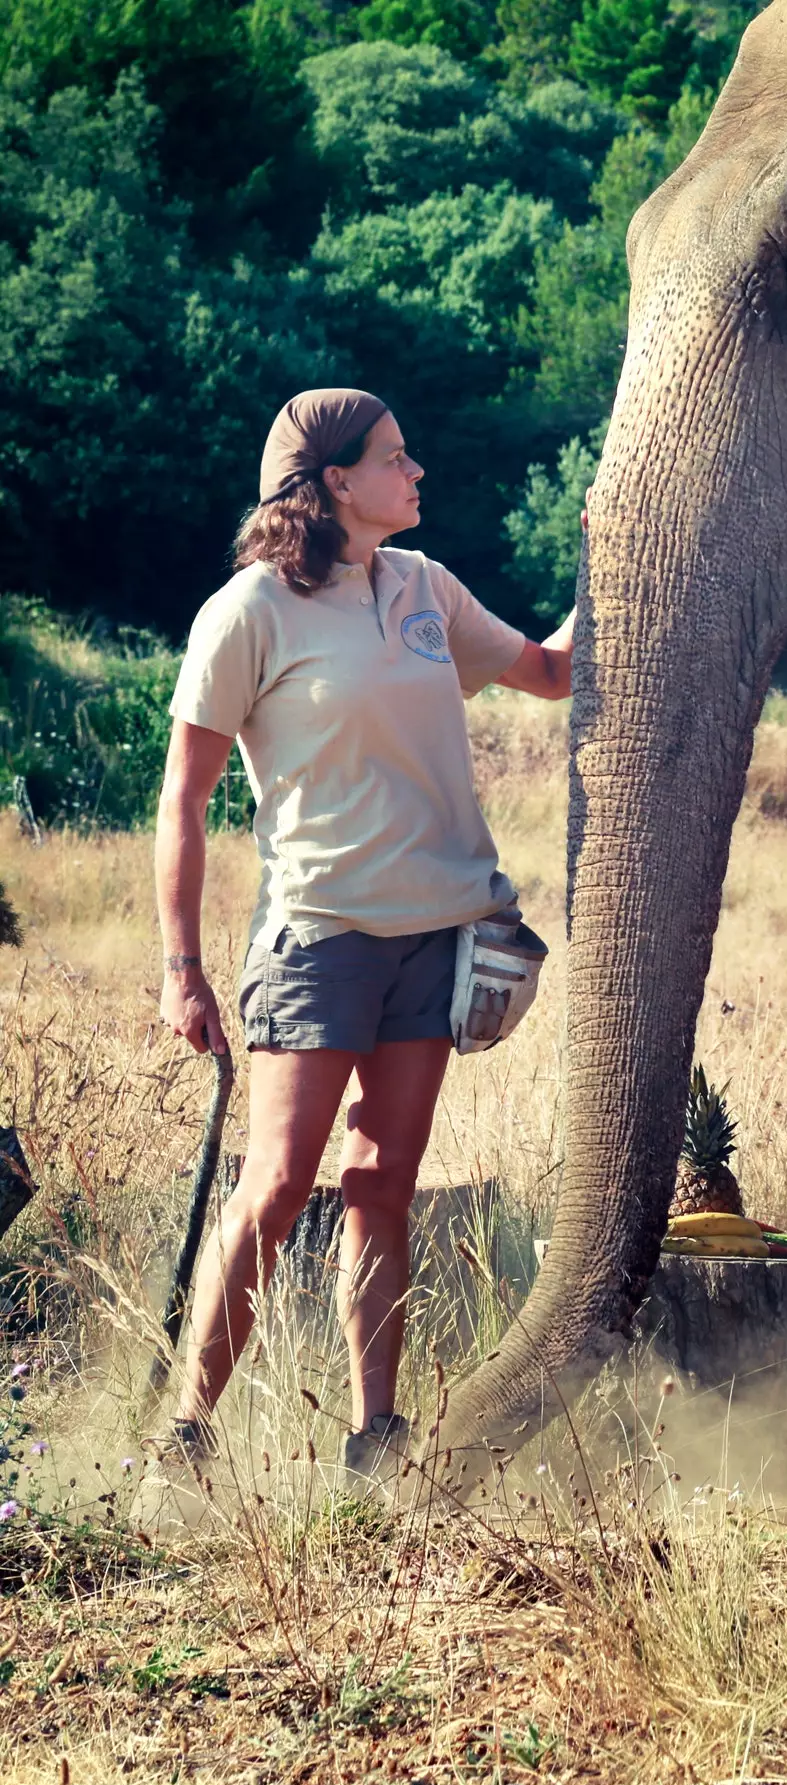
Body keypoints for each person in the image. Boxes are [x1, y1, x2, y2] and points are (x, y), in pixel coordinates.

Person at [154, 387, 575, 1479]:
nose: (417, 471)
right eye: (396, 457)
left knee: (385, 1183)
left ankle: (373, 1439)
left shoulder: (425, 588)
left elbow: (550, 673)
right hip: (321, 939)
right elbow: (183, 802)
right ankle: (186, 1434)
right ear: (336, 481)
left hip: (437, 938)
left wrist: (608, 554)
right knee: (282, 1183)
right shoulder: (249, 613)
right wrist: (182, 969)